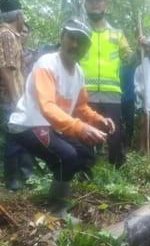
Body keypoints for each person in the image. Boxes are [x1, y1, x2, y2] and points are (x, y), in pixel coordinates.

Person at [8, 19, 115, 219]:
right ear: (62, 38)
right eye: (71, 38)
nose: (75, 45)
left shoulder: (79, 73)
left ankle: (64, 182)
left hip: (50, 126)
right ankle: (57, 212)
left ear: (86, 48)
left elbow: (81, 106)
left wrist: (99, 120)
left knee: (85, 154)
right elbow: (47, 106)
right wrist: (80, 128)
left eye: (81, 42)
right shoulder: (47, 63)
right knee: (67, 156)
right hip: (28, 123)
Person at [78, 0, 134, 167]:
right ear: (85, 5)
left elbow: (130, 59)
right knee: (86, 131)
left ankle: (118, 167)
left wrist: (141, 49)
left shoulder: (117, 34)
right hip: (86, 92)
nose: (95, 3)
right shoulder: (80, 32)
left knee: (114, 132)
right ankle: (86, 169)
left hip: (111, 92)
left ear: (106, 5)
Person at [0, 0, 34, 190]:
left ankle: (24, 173)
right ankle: (12, 179)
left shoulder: (12, 36)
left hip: (17, 96)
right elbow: (5, 68)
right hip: (9, 98)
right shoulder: (6, 35)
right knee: (14, 136)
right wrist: (14, 98)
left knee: (21, 134)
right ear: (18, 16)